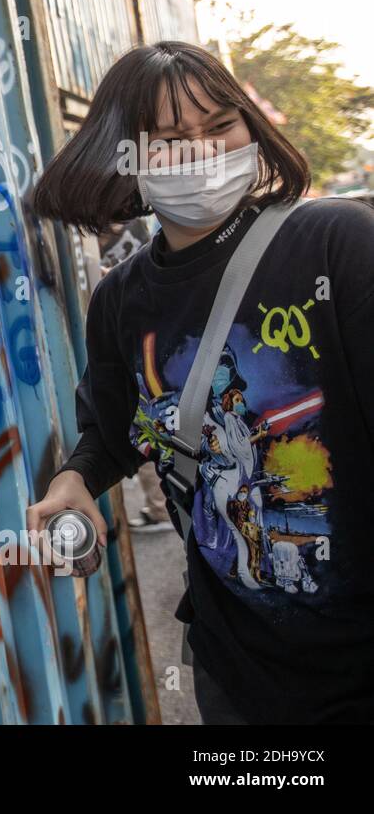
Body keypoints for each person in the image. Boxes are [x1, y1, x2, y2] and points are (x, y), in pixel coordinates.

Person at [26, 40, 374, 724]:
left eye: (221, 126)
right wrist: (73, 481)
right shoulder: (121, 301)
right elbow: (114, 433)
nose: (204, 152)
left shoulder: (337, 243)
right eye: (172, 139)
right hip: (237, 674)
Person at [97, 217, 174, 533]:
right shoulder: (143, 232)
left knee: (146, 427)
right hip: (153, 341)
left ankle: (161, 510)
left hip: (145, 346)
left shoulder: (115, 256)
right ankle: (163, 507)